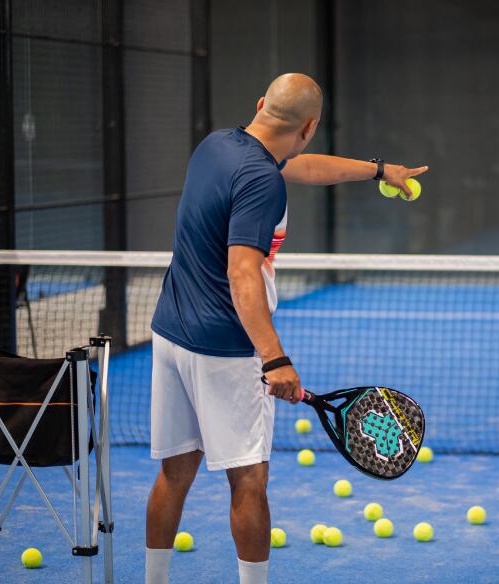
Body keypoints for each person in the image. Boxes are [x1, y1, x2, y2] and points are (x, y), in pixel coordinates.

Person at [145, 73, 428, 584]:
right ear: (311, 126)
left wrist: (381, 170)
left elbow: (304, 165)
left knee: (174, 472)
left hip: (169, 333)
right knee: (250, 479)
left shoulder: (217, 147)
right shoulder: (262, 182)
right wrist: (274, 358)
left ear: (260, 106)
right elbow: (241, 272)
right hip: (226, 348)